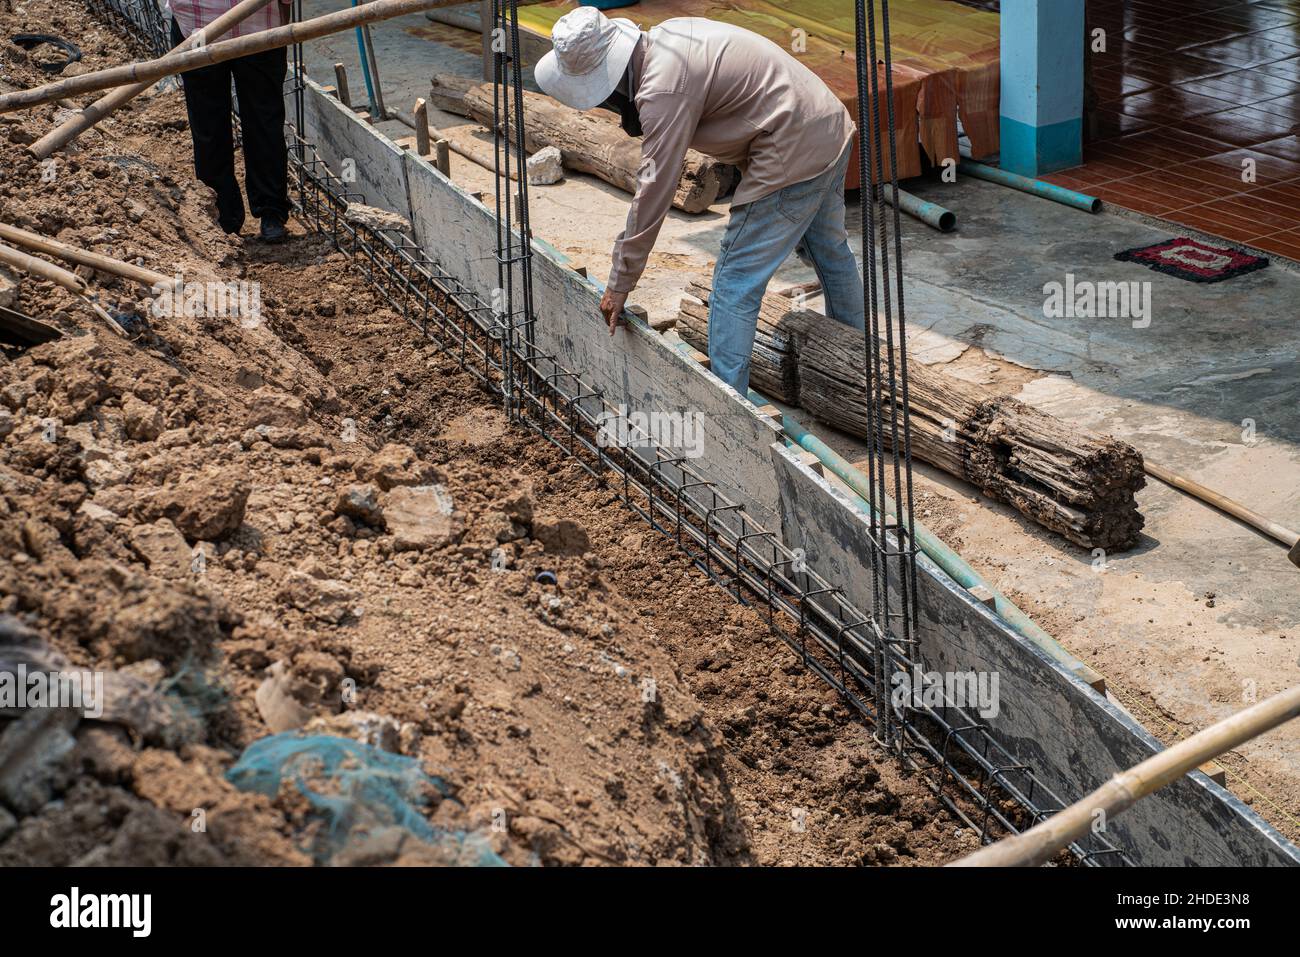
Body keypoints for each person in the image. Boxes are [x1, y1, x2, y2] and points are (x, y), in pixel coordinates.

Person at [534, 7, 865, 395]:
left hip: (791, 147)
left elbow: (654, 188)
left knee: (735, 280)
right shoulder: (667, 37)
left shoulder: (662, 90)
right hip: (826, 125)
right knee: (829, 250)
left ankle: (727, 409)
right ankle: (857, 369)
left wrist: (621, 279)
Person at [167, 0, 293, 243]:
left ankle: (270, 210)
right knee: (210, 125)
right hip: (197, 27)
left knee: (262, 121)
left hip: (258, 25)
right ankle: (223, 215)